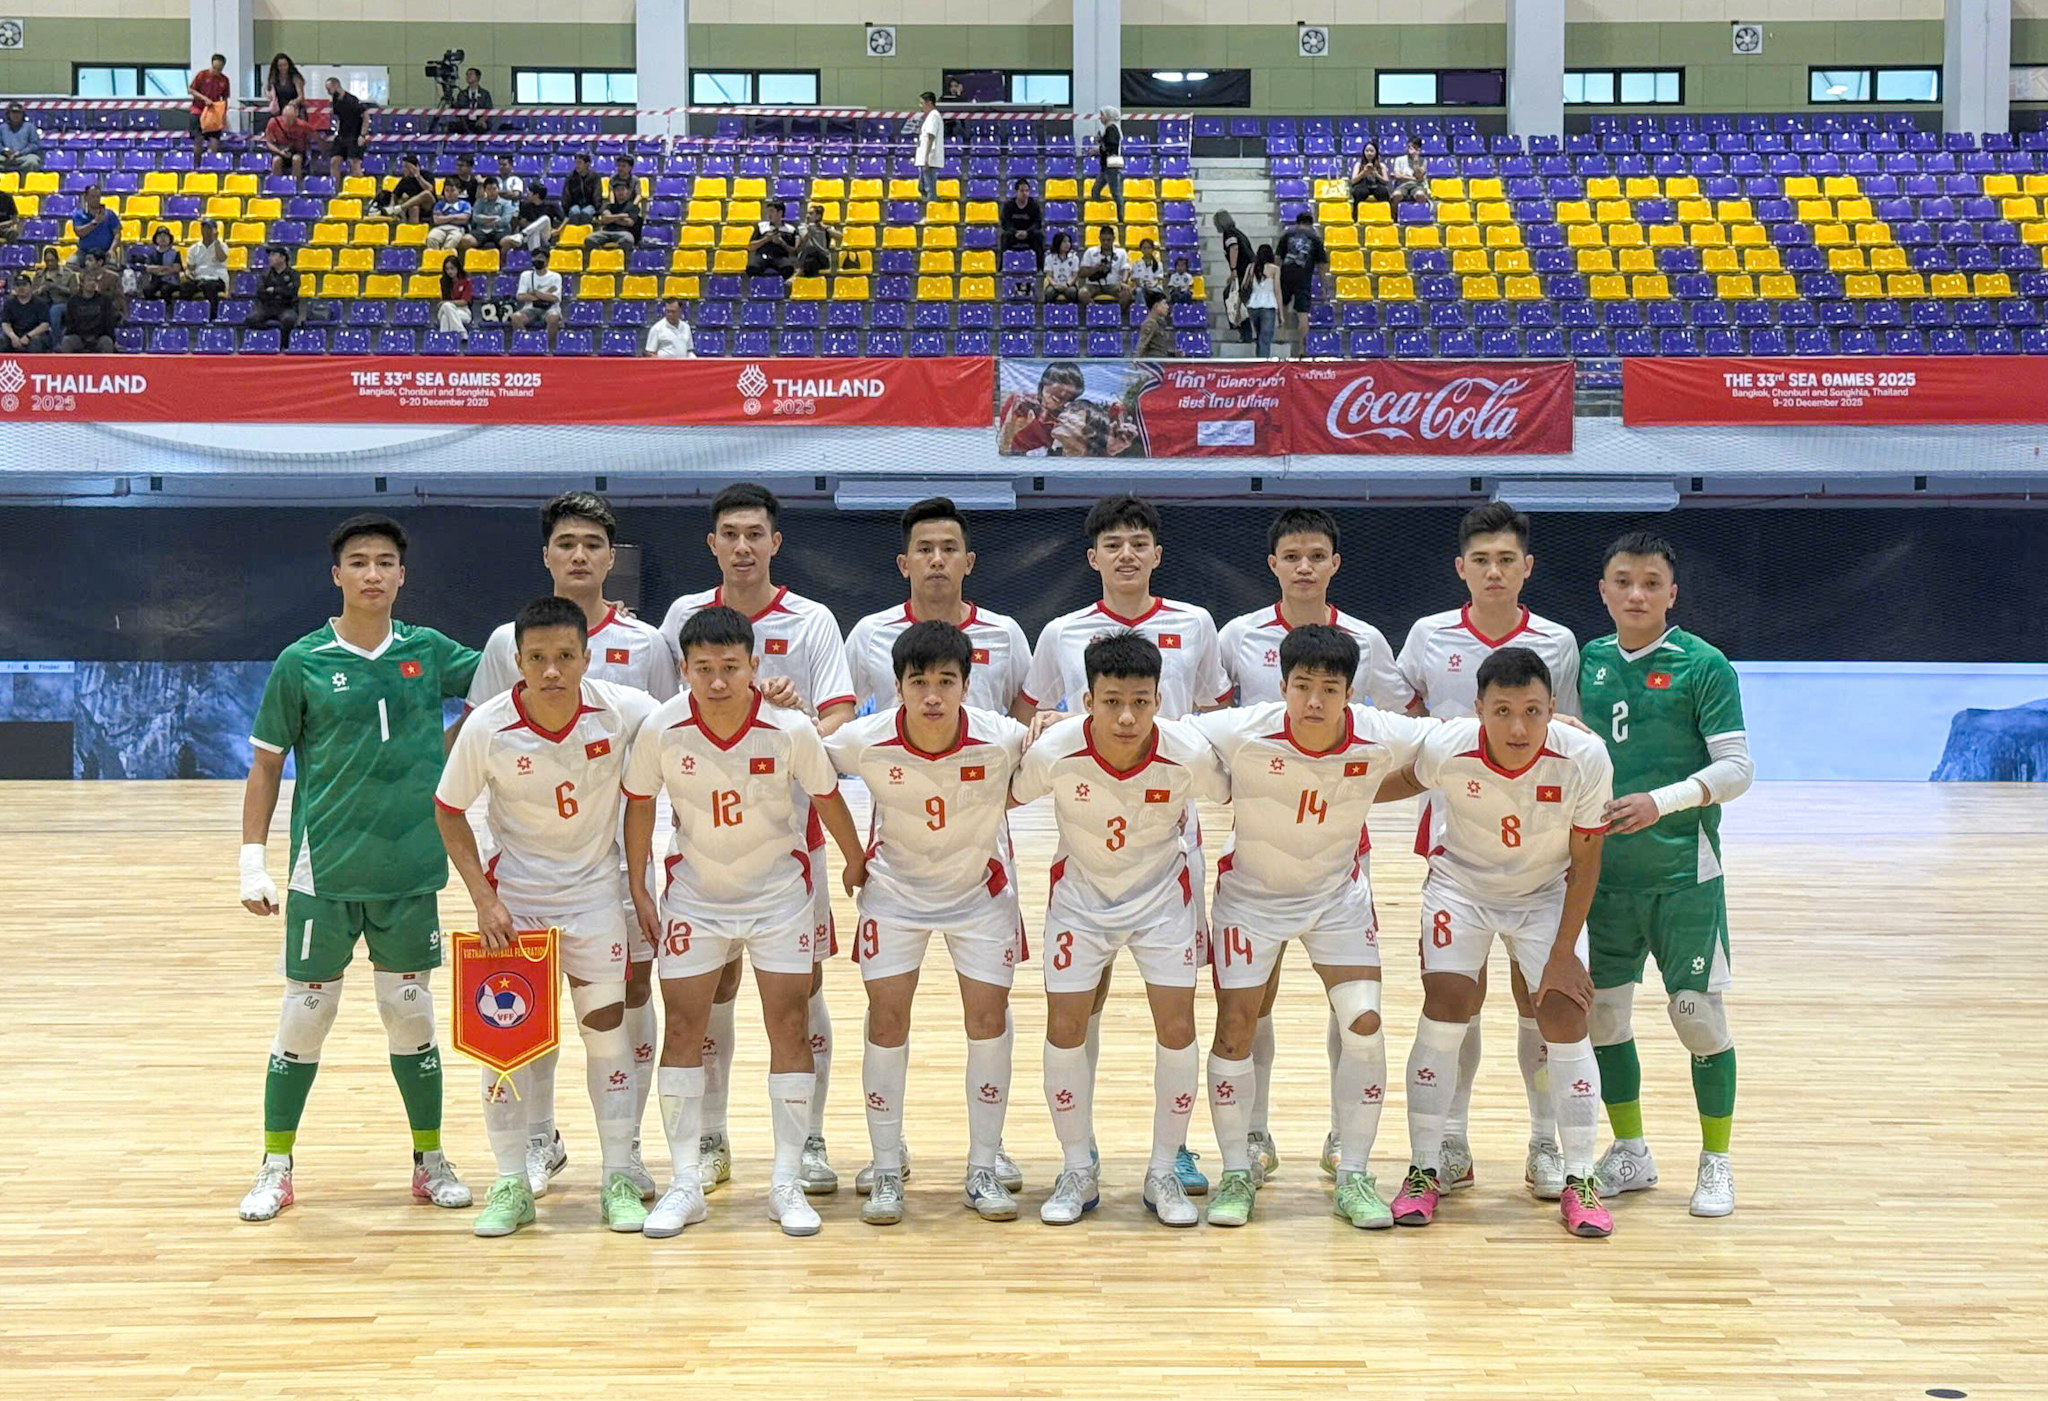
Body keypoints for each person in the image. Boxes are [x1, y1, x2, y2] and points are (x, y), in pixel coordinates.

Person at [234, 514, 482, 1222]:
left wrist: (449, 744)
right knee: (305, 1020)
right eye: (358, 561)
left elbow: (511, 679)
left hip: (410, 869)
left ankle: (428, 1159)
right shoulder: (301, 660)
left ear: (403, 575)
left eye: (385, 562)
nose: (372, 573)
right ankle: (275, 1165)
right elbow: (265, 762)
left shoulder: (428, 650)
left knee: (410, 1016)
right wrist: (252, 859)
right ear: (336, 575)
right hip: (326, 873)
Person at [623, 606, 869, 1238]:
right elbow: (639, 806)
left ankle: (785, 1181)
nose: (718, 681)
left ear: (755, 666)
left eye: (731, 667)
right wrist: (638, 886)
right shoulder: (661, 727)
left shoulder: (789, 729)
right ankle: (685, 1182)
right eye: (703, 669)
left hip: (779, 898)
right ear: (684, 670)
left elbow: (829, 798)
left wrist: (855, 862)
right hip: (695, 899)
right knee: (684, 1027)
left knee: (788, 1024)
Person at [462, 493, 679, 1202]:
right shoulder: (505, 645)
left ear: (611, 558)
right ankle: (538, 1140)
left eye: (593, 543)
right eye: (566, 543)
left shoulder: (646, 646)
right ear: (548, 555)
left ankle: (627, 1152)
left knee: (618, 1010)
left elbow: (671, 740)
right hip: (524, 865)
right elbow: (470, 753)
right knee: (520, 1020)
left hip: (614, 863)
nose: (579, 555)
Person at [1190, 625, 1442, 1227]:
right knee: (1235, 1030)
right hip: (1250, 899)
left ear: (1350, 693)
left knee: (1364, 1024)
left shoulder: (1379, 734)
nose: (1313, 701)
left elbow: (1453, 738)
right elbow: (1163, 733)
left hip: (1336, 900)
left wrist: (1557, 725)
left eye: (1329, 689)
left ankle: (1353, 1173)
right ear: (1282, 687)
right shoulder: (1243, 729)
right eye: (1301, 686)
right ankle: (1235, 1171)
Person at [1020, 495, 1232, 1194]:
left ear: (1158, 553)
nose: (1127, 554)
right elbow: (1036, 721)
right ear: (1092, 557)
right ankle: (1080, 1158)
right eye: (1113, 543)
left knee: (1175, 1006)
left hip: (1171, 832)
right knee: (1084, 999)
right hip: (1088, 825)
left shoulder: (1194, 623)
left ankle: (1171, 1153)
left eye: (1139, 542)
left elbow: (1212, 714)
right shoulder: (1061, 632)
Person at [435, 596, 661, 1237]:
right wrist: (484, 898)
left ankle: (618, 1175)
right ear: (518, 660)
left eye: (566, 656)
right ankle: (511, 1182)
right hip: (517, 906)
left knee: (607, 1037)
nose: (553, 670)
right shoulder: (489, 727)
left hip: (594, 902)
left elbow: (695, 713)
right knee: (503, 1048)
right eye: (538, 658)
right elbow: (449, 811)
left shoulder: (621, 712)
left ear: (588, 658)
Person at [657, 484, 858, 1198]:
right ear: (712, 543)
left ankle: (806, 1140)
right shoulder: (683, 616)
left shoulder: (812, 620)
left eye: (755, 534)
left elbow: (838, 715)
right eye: (729, 533)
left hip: (791, 838)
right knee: (712, 985)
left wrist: (797, 720)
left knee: (799, 990)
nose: (743, 545)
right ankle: (708, 1138)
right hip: (704, 837)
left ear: (775, 542)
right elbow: (664, 714)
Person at [1378, 647, 1617, 1238]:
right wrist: (1323, 800)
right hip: (1461, 887)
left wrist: (1562, 954)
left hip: (1545, 894)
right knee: (1447, 1005)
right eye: (1503, 710)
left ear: (1554, 709)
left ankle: (1579, 1176)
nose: (1518, 727)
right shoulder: (1446, 746)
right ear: (1478, 708)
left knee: (1564, 1014)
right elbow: (1400, 780)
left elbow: (1588, 859)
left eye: (1533, 711)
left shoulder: (1584, 756)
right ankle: (1425, 1167)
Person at [1213, 507, 1408, 1181]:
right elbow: (1215, 735)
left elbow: (1393, 736)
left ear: (1334, 563)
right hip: (1261, 851)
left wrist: (1345, 790)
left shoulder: (1368, 641)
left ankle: (1341, 1139)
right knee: (1251, 1001)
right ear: (1272, 563)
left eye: (1315, 554)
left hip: (1338, 858)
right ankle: (1255, 1132)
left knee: (1353, 1005)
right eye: (1291, 554)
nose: (1303, 565)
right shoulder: (1238, 635)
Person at [1394, 501, 1581, 1197]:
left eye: (1508, 560)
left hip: (1539, 843)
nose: (1495, 571)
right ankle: (1451, 1136)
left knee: (1538, 1000)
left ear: (1527, 567)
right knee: (1456, 996)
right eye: (1482, 560)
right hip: (1457, 844)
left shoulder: (1559, 642)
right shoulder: (1427, 635)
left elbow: (1572, 736)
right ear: (1461, 568)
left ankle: (1543, 1141)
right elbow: (1398, 717)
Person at [822, 622, 1032, 1224]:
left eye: (947, 681)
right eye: (920, 682)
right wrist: (853, 858)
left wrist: (1045, 725)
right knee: (887, 1021)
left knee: (987, 1021)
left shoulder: (1001, 738)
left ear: (968, 686)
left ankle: (983, 1167)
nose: (933, 695)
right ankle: (887, 1167)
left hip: (979, 895)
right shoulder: (864, 738)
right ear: (898, 688)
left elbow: (1053, 747)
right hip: (894, 895)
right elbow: (810, 768)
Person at [1580, 532, 1752, 1219]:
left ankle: (1716, 1162)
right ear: (1604, 589)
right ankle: (1631, 1150)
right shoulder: (1588, 660)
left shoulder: (1704, 665)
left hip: (1685, 873)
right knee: (1603, 1016)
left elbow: (1738, 770)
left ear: (1671, 593)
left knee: (1696, 1016)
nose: (1636, 594)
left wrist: (1663, 802)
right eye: (1623, 580)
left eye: (1651, 582)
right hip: (1603, 878)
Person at [843, 496, 1033, 720]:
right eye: (924, 550)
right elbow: (839, 713)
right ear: (904, 565)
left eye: (949, 549)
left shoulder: (1005, 633)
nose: (937, 560)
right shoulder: (869, 633)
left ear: (969, 563)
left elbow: (1028, 716)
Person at [995, 359, 1085, 455]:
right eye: (1059, 388)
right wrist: (1010, 428)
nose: (1062, 395)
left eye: (1069, 394)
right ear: (1045, 383)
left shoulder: (1065, 419)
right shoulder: (1020, 403)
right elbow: (1000, 443)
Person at [1276, 210, 1326, 349]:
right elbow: (1322, 264)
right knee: (1302, 313)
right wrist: (1323, 284)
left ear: (1297, 222)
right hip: (1303, 278)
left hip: (1285, 274)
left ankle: (1281, 334)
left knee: (1283, 306)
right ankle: (1301, 348)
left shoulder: (1287, 235)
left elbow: (1277, 258)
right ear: (1311, 223)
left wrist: (1274, 277)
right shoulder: (1315, 238)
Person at [57, 255, 121, 353]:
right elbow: (70, 325)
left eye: (94, 281)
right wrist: (82, 336)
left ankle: (107, 368)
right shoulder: (73, 301)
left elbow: (108, 324)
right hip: (79, 337)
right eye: (89, 280)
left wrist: (110, 339)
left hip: (98, 337)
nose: (92, 283)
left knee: (107, 342)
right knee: (67, 341)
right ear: (82, 283)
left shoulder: (104, 300)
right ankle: (66, 368)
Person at [1214, 211, 1254, 343]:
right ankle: (1242, 330)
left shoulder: (1229, 234)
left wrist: (1233, 270)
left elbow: (1234, 248)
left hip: (1244, 271)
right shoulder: (1238, 232)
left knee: (1234, 299)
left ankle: (1241, 330)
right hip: (1250, 270)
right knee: (1237, 299)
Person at [324, 77, 370, 186]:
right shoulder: (335, 101)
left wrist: (362, 135)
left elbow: (366, 116)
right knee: (334, 161)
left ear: (336, 86)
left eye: (329, 89)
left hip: (354, 136)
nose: (328, 92)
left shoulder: (352, 100)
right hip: (342, 136)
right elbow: (340, 117)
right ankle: (335, 189)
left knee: (354, 164)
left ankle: (360, 189)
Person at [245, 245, 300, 334]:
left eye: (273, 255)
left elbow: (291, 292)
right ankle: (270, 335)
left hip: (287, 307)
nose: (270, 257)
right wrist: (281, 291)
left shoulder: (294, 274)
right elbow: (260, 292)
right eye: (270, 255)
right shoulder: (265, 274)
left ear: (282, 258)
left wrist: (274, 290)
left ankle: (283, 345)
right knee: (250, 319)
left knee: (288, 320)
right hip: (268, 307)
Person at [179, 217, 229, 309]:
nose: (207, 231)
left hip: (217, 279)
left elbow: (222, 258)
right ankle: (185, 312)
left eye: (209, 228)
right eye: (204, 228)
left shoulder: (222, 246)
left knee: (209, 286)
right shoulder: (194, 248)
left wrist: (216, 242)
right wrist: (187, 272)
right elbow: (190, 267)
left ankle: (212, 316)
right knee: (185, 287)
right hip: (199, 279)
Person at [188, 53, 230, 162]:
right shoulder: (202, 75)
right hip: (198, 111)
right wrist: (204, 98)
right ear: (212, 64)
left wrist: (223, 115)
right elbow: (191, 90)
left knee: (215, 142)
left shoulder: (224, 80)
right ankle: (196, 168)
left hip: (213, 115)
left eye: (219, 69)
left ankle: (211, 167)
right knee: (199, 140)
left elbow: (225, 99)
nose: (217, 71)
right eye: (215, 68)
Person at [1080, 226, 1131, 311]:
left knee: (1127, 293)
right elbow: (1081, 273)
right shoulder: (1090, 252)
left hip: (1114, 284)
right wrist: (1095, 269)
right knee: (1082, 294)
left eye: (1109, 240)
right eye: (1103, 240)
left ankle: (1116, 313)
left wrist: (1124, 282)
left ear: (1114, 239)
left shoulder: (1121, 253)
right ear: (1099, 239)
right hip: (1093, 285)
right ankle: (1095, 312)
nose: (1106, 242)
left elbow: (1126, 269)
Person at [509, 256, 563, 336]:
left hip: (550, 309)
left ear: (547, 260)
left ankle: (548, 347)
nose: (537, 260)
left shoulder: (555, 276)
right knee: (516, 317)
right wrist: (544, 296)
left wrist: (534, 293)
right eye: (535, 258)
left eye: (540, 258)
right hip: (530, 308)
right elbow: (520, 296)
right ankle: (527, 343)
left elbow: (554, 298)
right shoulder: (526, 275)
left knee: (553, 318)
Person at [584, 177, 641, 252]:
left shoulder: (633, 207)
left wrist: (611, 218)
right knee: (589, 239)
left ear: (628, 192)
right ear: (614, 192)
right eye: (617, 190)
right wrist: (621, 216)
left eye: (622, 189)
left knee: (628, 239)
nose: (620, 192)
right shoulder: (608, 205)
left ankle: (615, 256)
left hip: (623, 233)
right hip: (606, 232)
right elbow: (604, 220)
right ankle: (601, 256)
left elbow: (629, 223)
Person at [374, 153, 434, 223]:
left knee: (426, 193)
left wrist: (418, 176)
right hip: (414, 206)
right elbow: (394, 195)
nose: (404, 169)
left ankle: (400, 208)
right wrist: (391, 205)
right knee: (414, 207)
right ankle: (412, 230)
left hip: (428, 204)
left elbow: (430, 189)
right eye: (403, 167)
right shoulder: (405, 180)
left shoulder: (427, 175)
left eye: (407, 167)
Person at [69, 184, 118, 269]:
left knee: (112, 266)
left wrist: (112, 249)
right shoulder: (78, 214)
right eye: (92, 196)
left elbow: (117, 234)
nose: (96, 199)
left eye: (98, 197)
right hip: (84, 252)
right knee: (70, 264)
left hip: (105, 252)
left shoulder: (110, 214)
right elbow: (79, 232)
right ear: (86, 197)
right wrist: (95, 222)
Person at [264, 98, 313, 183]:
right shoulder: (273, 122)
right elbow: (269, 142)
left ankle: (296, 186)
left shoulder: (303, 125)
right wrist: (280, 152)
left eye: (292, 119)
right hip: (280, 151)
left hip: (297, 152)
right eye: (287, 119)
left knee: (296, 159)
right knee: (276, 161)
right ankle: (276, 186)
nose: (290, 122)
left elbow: (316, 137)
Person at [506, 179, 560, 255]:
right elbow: (521, 222)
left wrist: (557, 229)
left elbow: (564, 219)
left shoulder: (551, 206)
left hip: (546, 235)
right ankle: (535, 260)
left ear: (536, 195)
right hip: (531, 236)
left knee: (545, 218)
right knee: (535, 233)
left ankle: (521, 235)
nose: (527, 194)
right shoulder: (525, 206)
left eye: (529, 192)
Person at [35, 246, 78, 341]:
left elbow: (75, 293)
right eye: (47, 261)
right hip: (43, 303)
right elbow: (32, 293)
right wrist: (40, 290)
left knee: (55, 311)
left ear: (57, 259)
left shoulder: (68, 274)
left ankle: (56, 343)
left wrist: (56, 286)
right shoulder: (39, 275)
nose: (49, 263)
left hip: (63, 303)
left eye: (52, 260)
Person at [466, 176, 518, 253]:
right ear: (485, 190)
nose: (492, 192)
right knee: (466, 240)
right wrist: (494, 218)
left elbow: (505, 220)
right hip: (481, 231)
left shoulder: (506, 203)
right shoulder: (479, 202)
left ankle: (503, 264)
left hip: (500, 231)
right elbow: (475, 218)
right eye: (489, 189)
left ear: (498, 189)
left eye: (494, 189)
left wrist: (484, 220)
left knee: (508, 241)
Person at [1000, 178, 1044, 269]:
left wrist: (1027, 232)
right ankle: (1002, 266)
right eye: (1022, 191)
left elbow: (1037, 223)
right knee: (1005, 236)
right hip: (1013, 235)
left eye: (1027, 191)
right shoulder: (1008, 206)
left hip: (1029, 235)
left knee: (1039, 236)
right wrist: (1015, 232)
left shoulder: (1034, 206)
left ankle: (1040, 267)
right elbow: (1005, 223)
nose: (1025, 193)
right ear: (1016, 192)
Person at [2, 275, 53, 353]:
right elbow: (5, 323)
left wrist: (28, 336)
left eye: (24, 285)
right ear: (14, 288)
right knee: (2, 340)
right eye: (18, 285)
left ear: (30, 286)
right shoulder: (9, 303)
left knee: (36, 342)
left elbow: (45, 325)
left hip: (34, 335)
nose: (21, 288)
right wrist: (13, 336)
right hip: (16, 334)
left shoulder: (40, 303)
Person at [1246, 243, 1280, 358]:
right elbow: (1277, 291)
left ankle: (1258, 360)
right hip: (1269, 305)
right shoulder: (1275, 269)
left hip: (1253, 304)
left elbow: (1245, 285)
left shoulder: (1251, 267)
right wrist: (1281, 314)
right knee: (1265, 338)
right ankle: (1263, 363)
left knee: (1260, 336)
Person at [1089, 106, 1124, 218]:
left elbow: (1110, 146)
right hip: (1106, 167)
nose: (1100, 117)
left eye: (1102, 115)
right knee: (1095, 190)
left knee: (1115, 193)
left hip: (1111, 167)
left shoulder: (1112, 129)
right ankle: (1097, 212)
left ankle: (1120, 217)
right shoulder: (1110, 129)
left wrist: (1097, 149)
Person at [134, 226, 183, 299]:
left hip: (171, 282)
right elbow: (149, 269)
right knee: (147, 290)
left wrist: (158, 270)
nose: (162, 238)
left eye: (165, 236)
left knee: (165, 290)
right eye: (160, 236)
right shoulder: (152, 254)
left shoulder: (175, 253)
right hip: (155, 281)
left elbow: (176, 268)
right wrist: (166, 267)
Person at [914, 91, 946, 205]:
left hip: (929, 158)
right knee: (922, 187)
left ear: (929, 103)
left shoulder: (933, 116)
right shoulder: (932, 116)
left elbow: (930, 137)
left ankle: (931, 213)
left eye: (922, 103)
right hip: (926, 158)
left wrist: (926, 158)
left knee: (929, 190)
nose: (920, 106)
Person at [425, 176, 472, 250]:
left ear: (458, 191)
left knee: (452, 241)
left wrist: (444, 218)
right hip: (440, 228)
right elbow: (437, 220)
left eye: (452, 190)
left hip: (457, 229)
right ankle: (435, 259)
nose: (449, 193)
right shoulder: (440, 204)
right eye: (447, 190)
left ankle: (447, 260)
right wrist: (454, 217)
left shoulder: (465, 204)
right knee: (431, 238)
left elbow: (464, 219)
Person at [793, 204, 840, 277]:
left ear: (818, 216)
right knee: (810, 253)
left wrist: (825, 228)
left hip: (822, 259)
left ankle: (798, 273)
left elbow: (839, 236)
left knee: (812, 250)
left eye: (811, 214)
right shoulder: (802, 227)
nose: (807, 216)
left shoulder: (825, 228)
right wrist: (809, 234)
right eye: (807, 213)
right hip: (806, 259)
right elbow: (799, 248)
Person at [435, 249, 472, 337]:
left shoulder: (466, 281)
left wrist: (448, 303)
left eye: (452, 268)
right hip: (447, 309)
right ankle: (460, 331)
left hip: (463, 311)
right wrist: (447, 303)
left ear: (458, 268)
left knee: (445, 317)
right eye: (447, 269)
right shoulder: (443, 281)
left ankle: (444, 340)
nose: (450, 272)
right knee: (446, 306)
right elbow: (445, 300)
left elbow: (465, 301)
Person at [0, 103, 43, 173]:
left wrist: (20, 152)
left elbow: (34, 144)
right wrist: (4, 151)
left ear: (23, 114)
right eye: (13, 112)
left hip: (24, 156)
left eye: (18, 112)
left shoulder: (30, 127)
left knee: (33, 161)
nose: (16, 115)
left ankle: (26, 183)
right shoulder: (2, 128)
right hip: (4, 156)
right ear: (8, 114)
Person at [1041, 231, 1081, 305]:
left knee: (1072, 292)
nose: (1067, 244)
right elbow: (1049, 275)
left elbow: (1074, 275)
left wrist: (1067, 285)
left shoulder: (1074, 258)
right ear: (1058, 243)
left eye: (1069, 241)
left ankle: (1072, 313)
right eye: (1064, 242)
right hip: (1054, 284)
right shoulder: (1049, 258)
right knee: (1049, 293)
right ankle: (1050, 313)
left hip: (1069, 284)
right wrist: (1055, 285)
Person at [450, 67, 493, 135]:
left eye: (471, 74)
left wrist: (483, 119)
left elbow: (489, 109)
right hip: (465, 121)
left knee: (481, 128)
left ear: (478, 77)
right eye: (467, 74)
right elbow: (458, 110)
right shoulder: (462, 94)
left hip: (479, 120)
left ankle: (479, 145)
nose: (468, 76)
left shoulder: (485, 94)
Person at [562, 152, 603, 224]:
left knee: (586, 213)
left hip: (590, 205)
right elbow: (566, 195)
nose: (577, 165)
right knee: (574, 212)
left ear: (587, 164)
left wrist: (597, 209)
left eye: (579, 163)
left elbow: (597, 195)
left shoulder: (595, 177)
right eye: (576, 163)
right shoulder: (570, 177)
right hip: (575, 205)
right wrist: (566, 208)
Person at [1392, 136, 1432, 206]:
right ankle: (1395, 215)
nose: (1410, 150)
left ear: (1418, 149)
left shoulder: (1423, 161)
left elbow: (1419, 176)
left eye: (1414, 148)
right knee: (1396, 195)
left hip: (1417, 185)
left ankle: (1421, 215)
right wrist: (1413, 178)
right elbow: (1397, 175)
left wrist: (1415, 161)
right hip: (1403, 185)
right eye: (1409, 147)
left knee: (1420, 195)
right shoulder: (1399, 159)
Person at [1349, 141, 1391, 205]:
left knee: (1383, 192)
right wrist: (1363, 172)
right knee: (1359, 192)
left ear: (1376, 152)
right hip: (1362, 185)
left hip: (1377, 185)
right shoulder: (1358, 165)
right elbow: (1353, 181)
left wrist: (1376, 175)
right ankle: (1356, 214)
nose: (1369, 153)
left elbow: (1386, 181)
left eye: (1371, 151)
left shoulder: (1381, 165)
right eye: (1367, 151)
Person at [1134, 292, 1174, 358]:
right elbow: (1142, 345)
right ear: (1156, 306)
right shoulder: (1150, 324)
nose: (1167, 307)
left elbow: (1159, 349)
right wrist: (1135, 361)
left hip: (1159, 363)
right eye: (1164, 303)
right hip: (1152, 364)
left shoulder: (1160, 323)